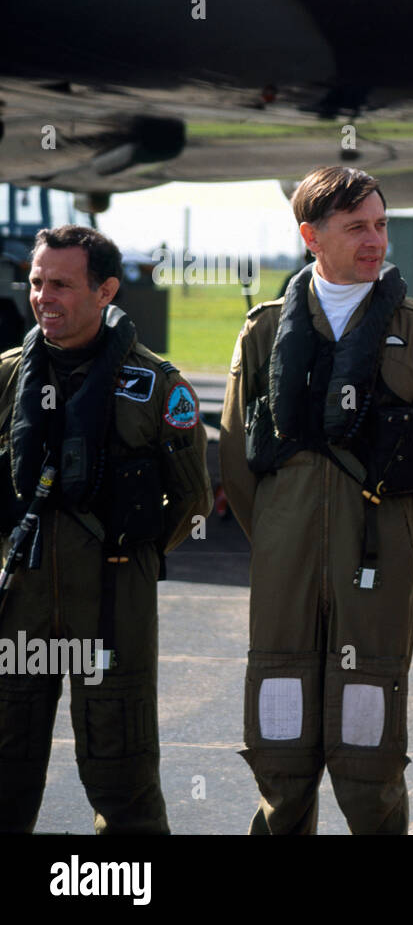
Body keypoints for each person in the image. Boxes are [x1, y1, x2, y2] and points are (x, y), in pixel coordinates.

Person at [220, 166, 413, 834]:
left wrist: (397, 547)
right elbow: (238, 466)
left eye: (381, 224)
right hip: (284, 571)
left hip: (378, 566)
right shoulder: (264, 331)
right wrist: (281, 536)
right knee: (280, 749)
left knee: (370, 757)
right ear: (311, 235)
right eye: (357, 226)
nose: (375, 240)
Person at [0, 225, 212, 833]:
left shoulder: (157, 387)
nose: (43, 297)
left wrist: (122, 552)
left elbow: (192, 503)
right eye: (37, 282)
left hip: (113, 607)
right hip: (21, 606)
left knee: (123, 779)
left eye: (61, 285)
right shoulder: (9, 379)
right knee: (6, 764)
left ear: (106, 291)